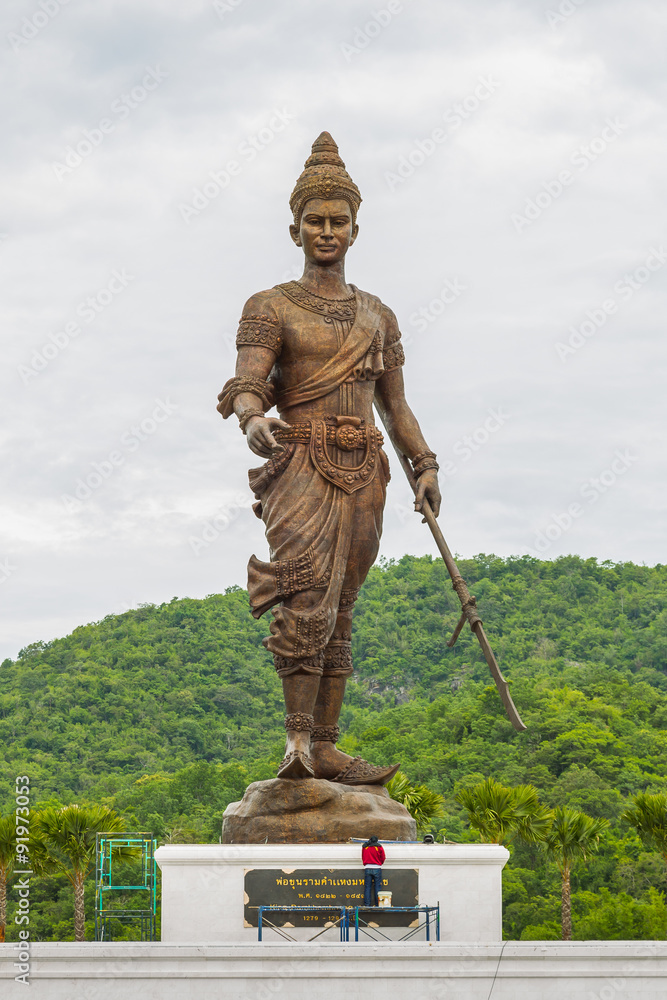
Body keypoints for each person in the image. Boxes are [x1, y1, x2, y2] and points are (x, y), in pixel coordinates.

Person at [218, 132, 441, 783]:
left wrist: (423, 465)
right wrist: (252, 415)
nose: (325, 231)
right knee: (306, 597)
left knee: (341, 604)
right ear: (294, 229)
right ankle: (294, 742)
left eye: (336, 221)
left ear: (354, 229)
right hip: (301, 465)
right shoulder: (271, 307)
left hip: (365, 470)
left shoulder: (378, 316)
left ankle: (324, 743)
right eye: (313, 221)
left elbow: (395, 405)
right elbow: (248, 380)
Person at [362, 835, 385, 907]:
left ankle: (367, 904)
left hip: (367, 868)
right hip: (377, 868)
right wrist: (379, 863)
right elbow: (383, 857)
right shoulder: (379, 847)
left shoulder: (365, 847)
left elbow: (363, 856)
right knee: (377, 887)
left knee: (367, 887)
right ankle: (378, 904)